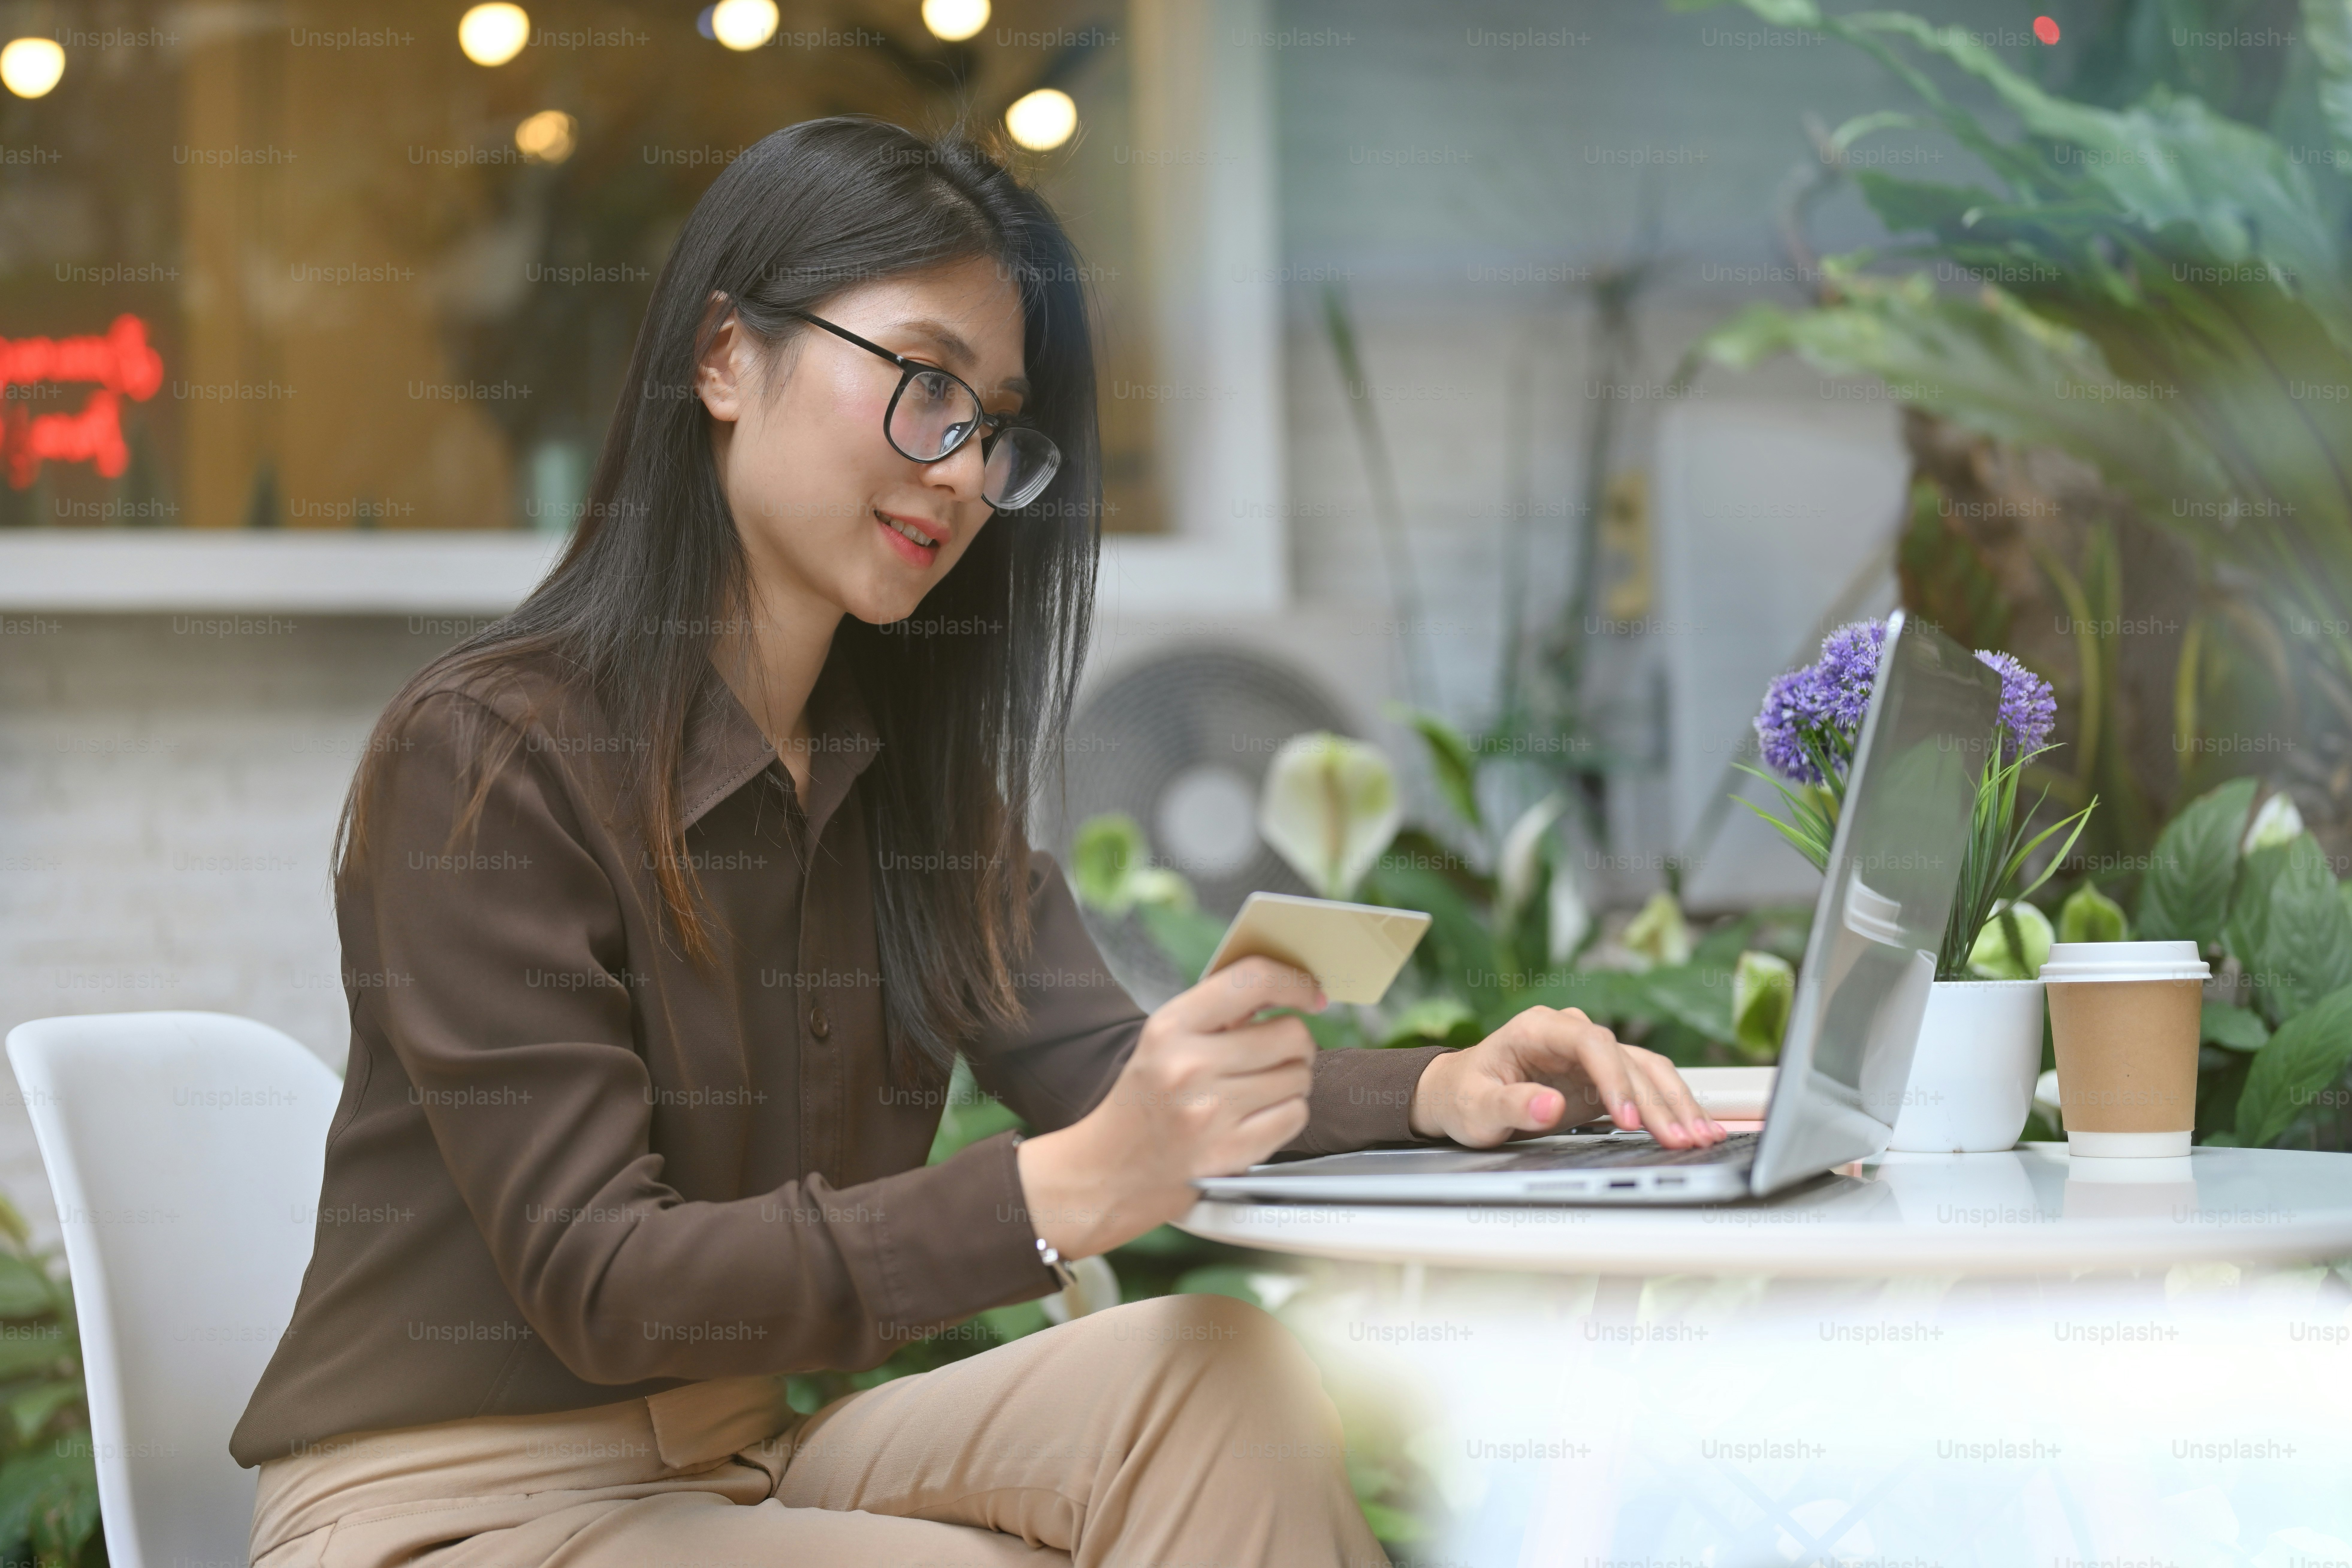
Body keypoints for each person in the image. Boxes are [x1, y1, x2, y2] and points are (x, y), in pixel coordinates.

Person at [229, 117, 1726, 1568]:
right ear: (724, 356)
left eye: (994, 429)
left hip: (735, 1469)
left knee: (1217, 1378)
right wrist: (1061, 1194)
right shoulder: (488, 757)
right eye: (923, 385)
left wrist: (1447, 1089)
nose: (958, 469)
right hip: (451, 1506)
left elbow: (1111, 1076)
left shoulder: (906, 788)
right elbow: (600, 1282)